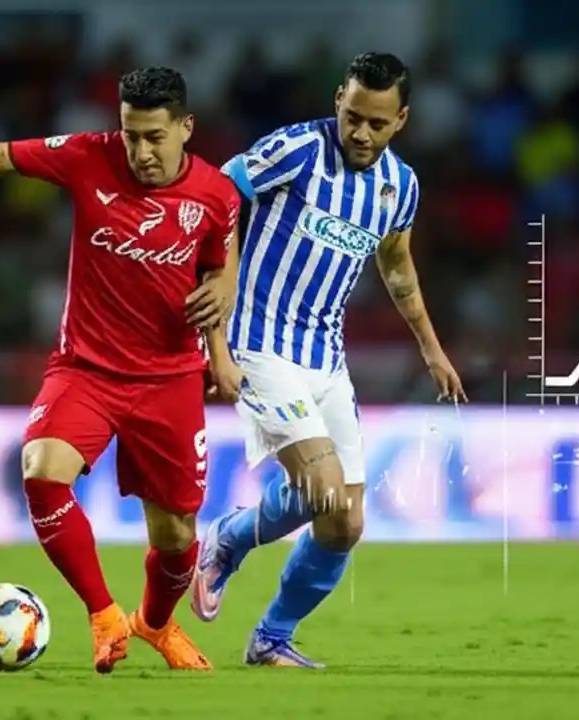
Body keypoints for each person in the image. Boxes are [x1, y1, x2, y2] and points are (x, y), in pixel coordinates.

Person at [0, 66, 241, 674]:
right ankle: (104, 614)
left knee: (178, 538)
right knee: (41, 469)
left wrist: (221, 352)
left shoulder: (216, 195)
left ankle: (156, 625)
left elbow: (218, 272)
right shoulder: (88, 156)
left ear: (185, 129)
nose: (140, 151)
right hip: (87, 368)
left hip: (170, 379)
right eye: (131, 134)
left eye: (155, 137)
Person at [192, 52, 466, 668]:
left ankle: (270, 638)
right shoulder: (295, 150)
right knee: (322, 491)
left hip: (325, 358)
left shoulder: (401, 187)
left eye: (375, 122)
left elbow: (397, 267)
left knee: (344, 523)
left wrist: (431, 346)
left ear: (401, 119)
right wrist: (221, 298)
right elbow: (214, 198)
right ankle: (230, 539)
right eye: (350, 117)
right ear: (338, 101)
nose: (359, 133)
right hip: (258, 344)